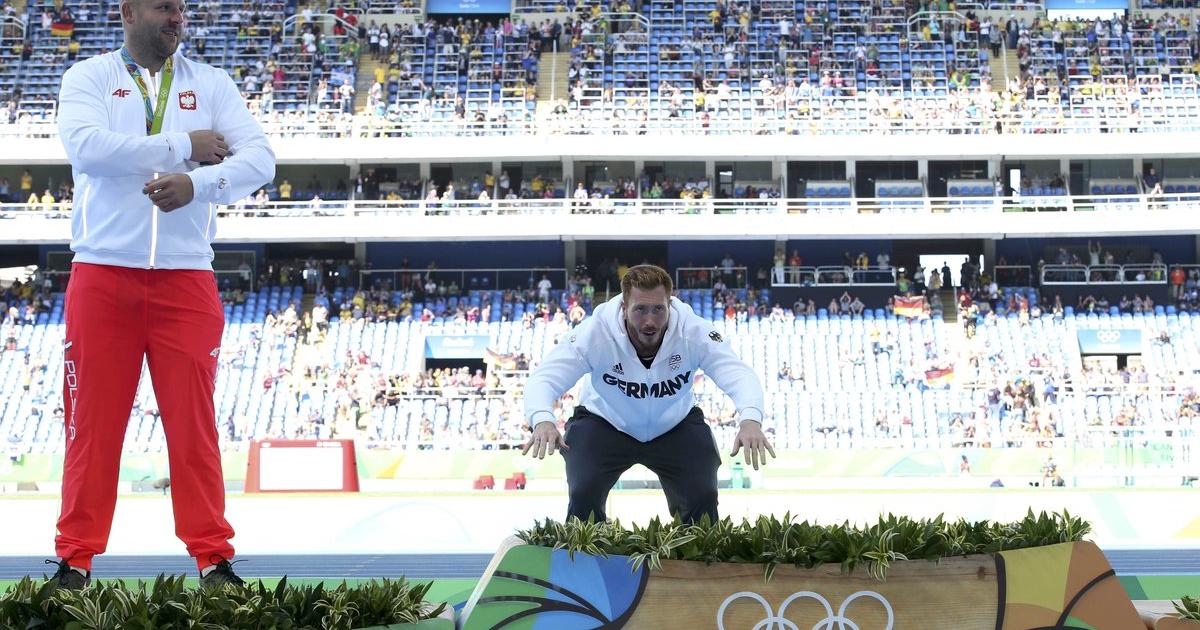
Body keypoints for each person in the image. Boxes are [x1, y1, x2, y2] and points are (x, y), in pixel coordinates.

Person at [49, 0, 274, 591]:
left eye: (181, 9)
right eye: (165, 7)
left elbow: (261, 160)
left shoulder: (212, 83)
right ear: (128, 12)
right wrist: (182, 147)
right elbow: (89, 150)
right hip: (103, 273)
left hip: (186, 277)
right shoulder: (90, 77)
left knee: (193, 427)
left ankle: (212, 560)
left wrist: (197, 184)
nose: (177, 17)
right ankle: (74, 560)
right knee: (91, 427)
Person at [522, 264, 773, 524]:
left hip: (674, 423)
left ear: (670, 304)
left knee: (703, 498)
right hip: (606, 421)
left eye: (658, 309)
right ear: (624, 308)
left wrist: (750, 419)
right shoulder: (595, 333)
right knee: (583, 492)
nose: (650, 321)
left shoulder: (694, 332)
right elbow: (545, 378)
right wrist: (542, 419)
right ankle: (586, 558)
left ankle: (697, 560)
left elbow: (737, 373)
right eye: (640, 309)